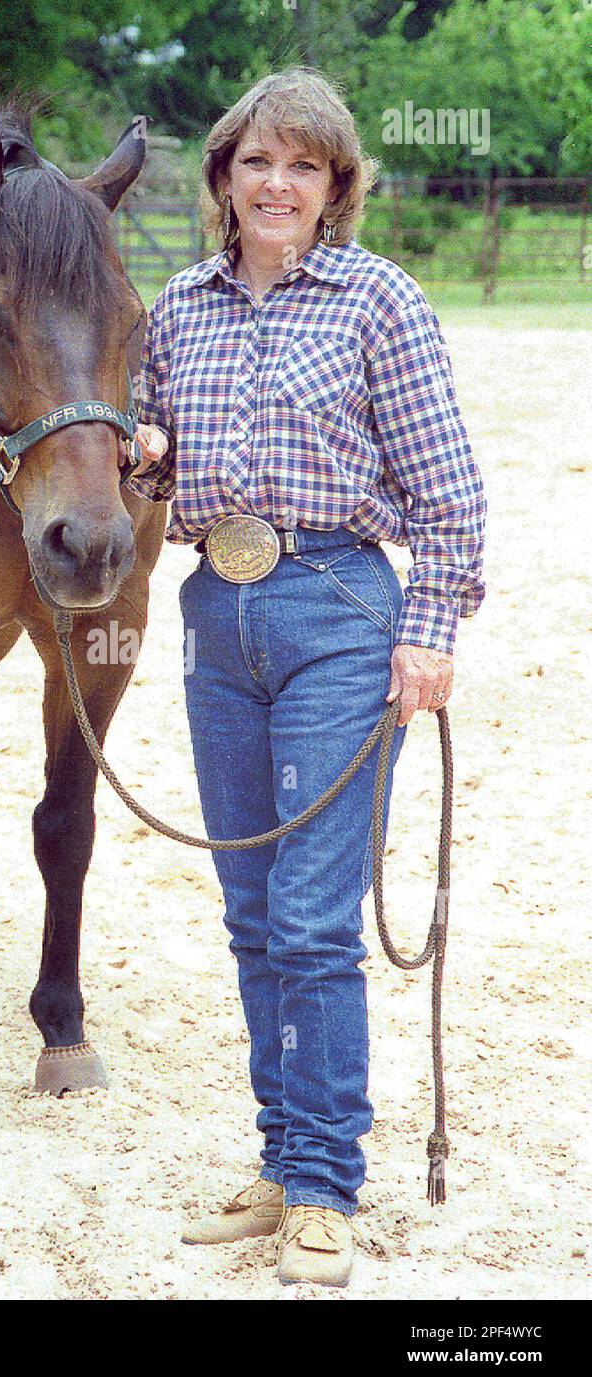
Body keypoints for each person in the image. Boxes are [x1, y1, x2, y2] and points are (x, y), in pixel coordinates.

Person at [128, 67, 486, 1288]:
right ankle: (281, 1162)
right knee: (247, 913)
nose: (275, 184)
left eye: (303, 166)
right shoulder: (178, 307)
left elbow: (447, 493)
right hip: (214, 615)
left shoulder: (379, 301)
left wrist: (428, 631)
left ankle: (327, 1184)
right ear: (222, 179)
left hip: (338, 608)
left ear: (334, 188)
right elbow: (139, 444)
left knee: (310, 916)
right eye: (255, 162)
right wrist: (142, 453)